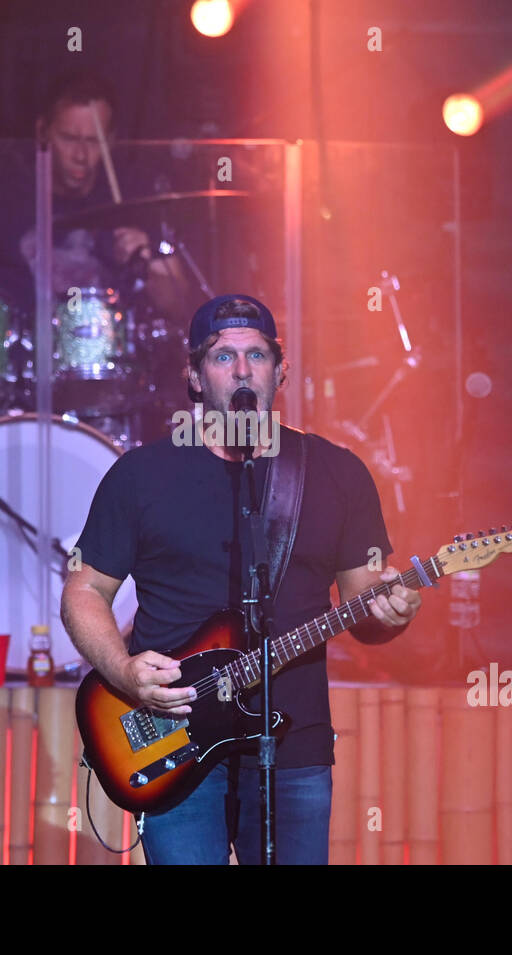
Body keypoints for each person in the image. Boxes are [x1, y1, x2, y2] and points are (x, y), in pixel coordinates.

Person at [60, 294, 422, 865]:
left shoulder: (336, 473)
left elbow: (364, 606)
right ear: (195, 377)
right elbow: (84, 590)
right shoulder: (141, 474)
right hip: (174, 729)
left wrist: (392, 613)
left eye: (257, 354)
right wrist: (122, 670)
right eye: (222, 356)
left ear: (281, 370)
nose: (242, 369)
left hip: (293, 740)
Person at [0, 71, 189, 316]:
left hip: (110, 348)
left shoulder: (134, 194)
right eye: (69, 138)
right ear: (42, 131)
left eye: (93, 142)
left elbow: (178, 305)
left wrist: (143, 264)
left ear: (111, 140)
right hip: (22, 349)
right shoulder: (2, 193)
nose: (81, 155)